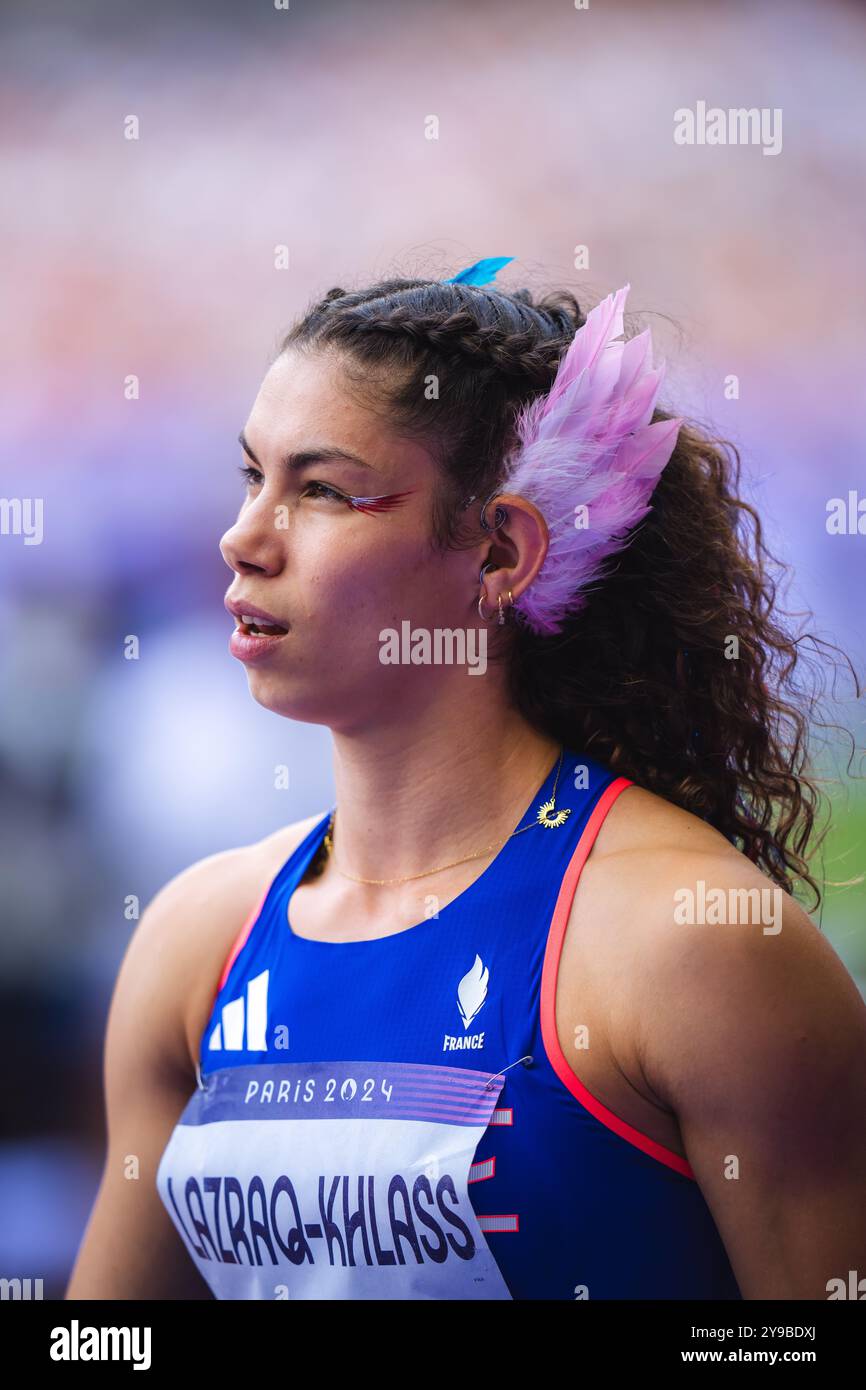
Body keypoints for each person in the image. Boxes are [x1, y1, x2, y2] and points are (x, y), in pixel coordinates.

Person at [67, 260, 866, 1300]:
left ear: (499, 553)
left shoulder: (686, 944)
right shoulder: (197, 938)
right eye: (251, 477)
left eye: (321, 490)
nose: (242, 537)